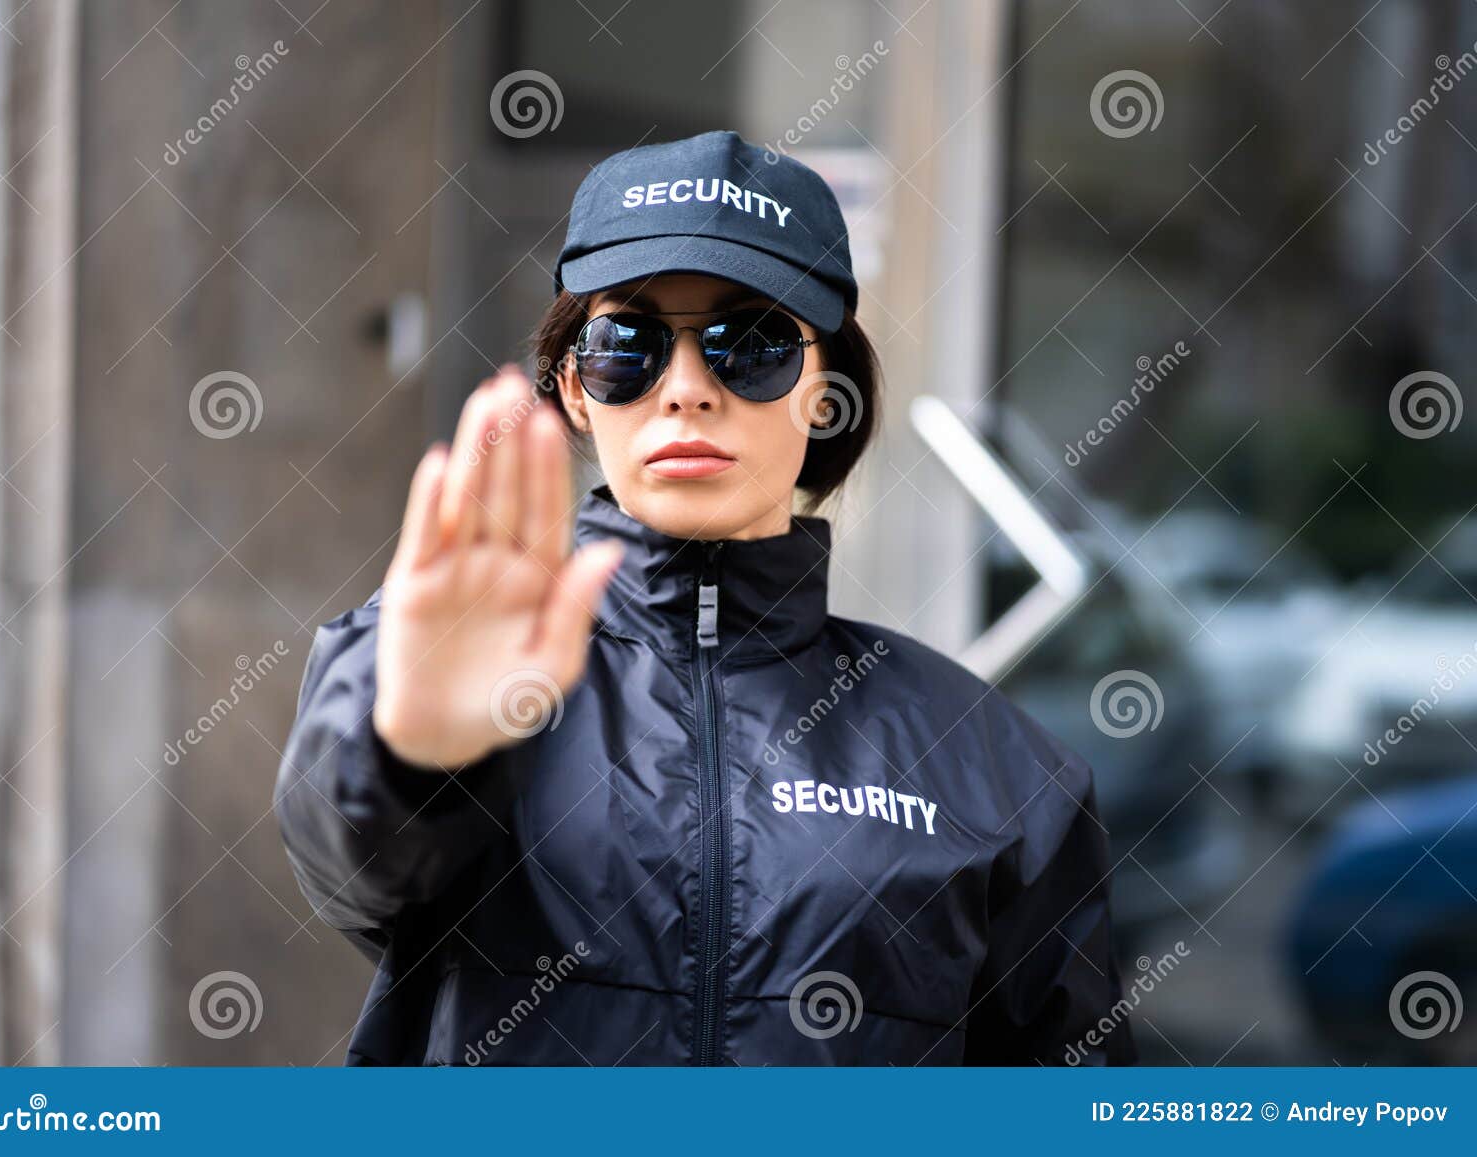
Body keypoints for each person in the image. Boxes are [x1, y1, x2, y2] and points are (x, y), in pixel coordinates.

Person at [274, 129, 1137, 1066]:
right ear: (571, 385)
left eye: (750, 343)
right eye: (627, 347)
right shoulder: (425, 666)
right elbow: (349, 867)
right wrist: (412, 759)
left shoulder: (992, 763)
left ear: (824, 388)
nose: (685, 389)